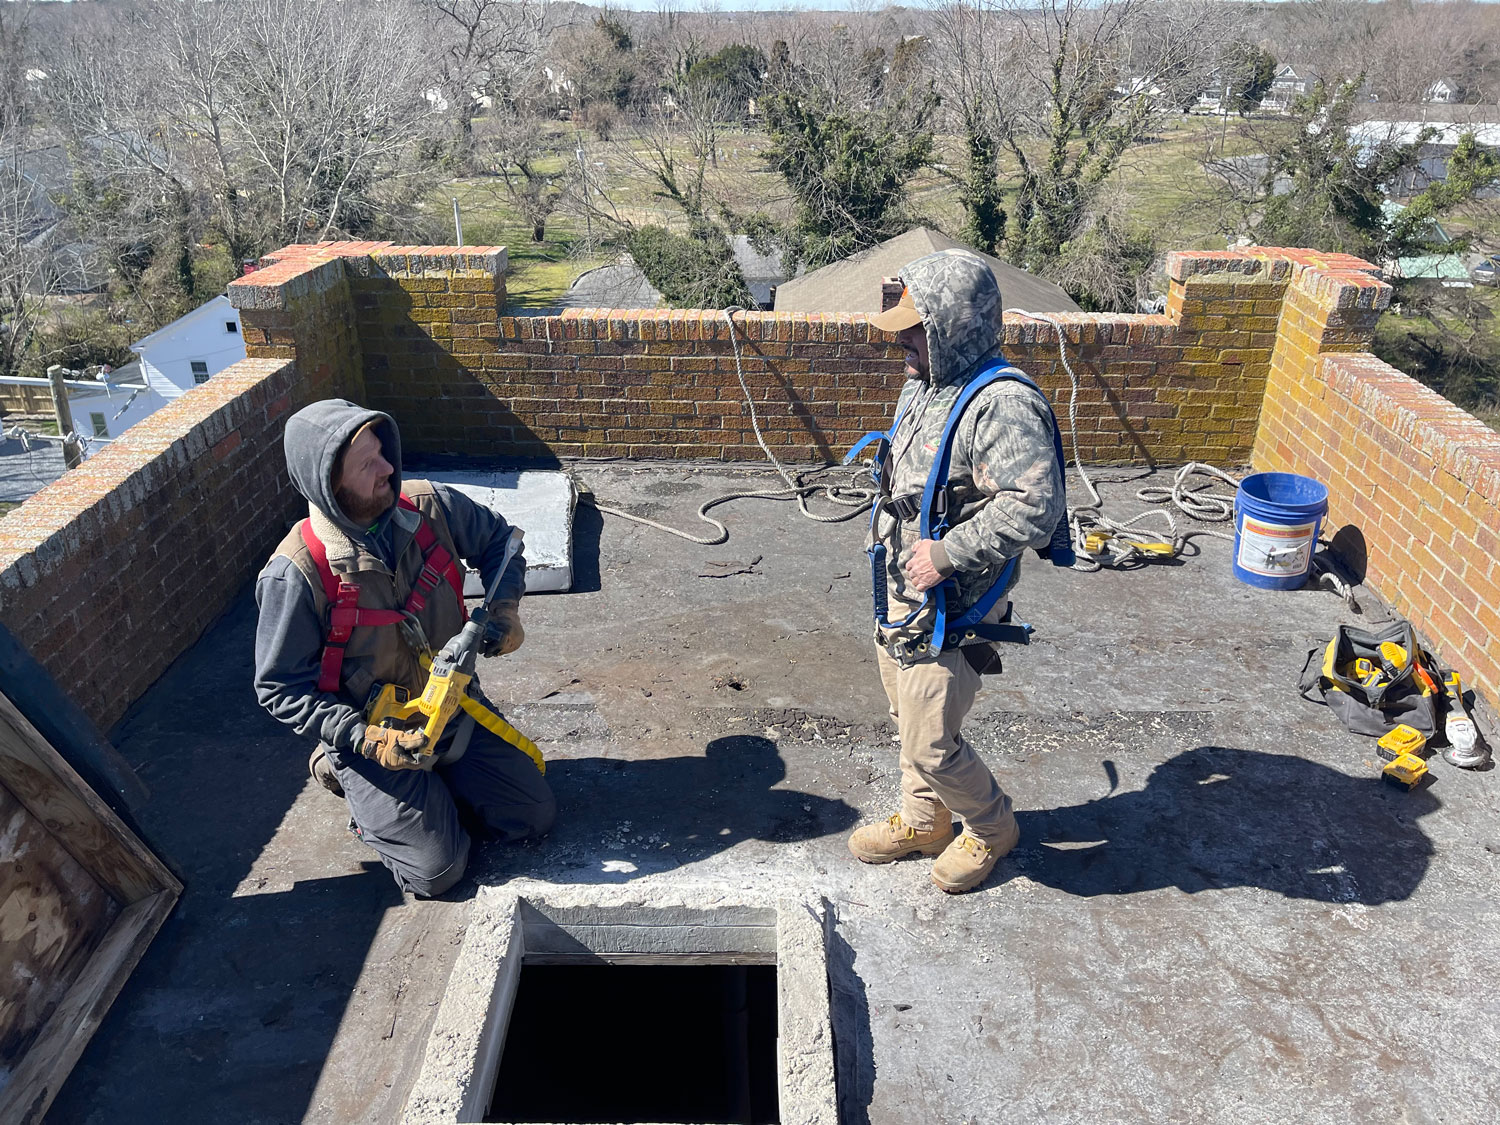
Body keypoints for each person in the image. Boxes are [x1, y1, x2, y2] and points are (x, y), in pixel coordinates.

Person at [254, 399, 555, 897]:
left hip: (452, 709)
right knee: (438, 874)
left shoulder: (431, 507)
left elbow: (502, 541)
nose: (388, 469)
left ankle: (438, 790)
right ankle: (340, 771)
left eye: (383, 453)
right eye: (366, 464)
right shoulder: (297, 573)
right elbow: (280, 688)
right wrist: (363, 739)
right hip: (375, 737)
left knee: (532, 817)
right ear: (329, 484)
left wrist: (504, 609)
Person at [847, 250, 1067, 894]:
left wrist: (946, 553)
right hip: (903, 590)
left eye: (917, 331)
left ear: (953, 326)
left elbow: (1035, 506)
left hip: (956, 602)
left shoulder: (1000, 405)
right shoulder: (925, 384)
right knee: (906, 718)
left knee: (931, 741)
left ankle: (992, 829)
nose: (904, 346)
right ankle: (924, 821)